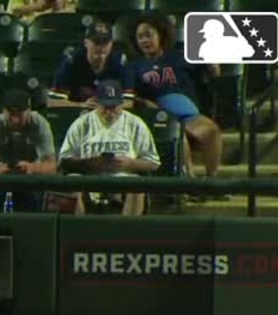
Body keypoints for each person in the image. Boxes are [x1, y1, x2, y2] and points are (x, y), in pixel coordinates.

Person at [129, 13, 222, 196]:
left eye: (148, 35)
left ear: (160, 34)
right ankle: (191, 185)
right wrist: (144, 102)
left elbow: (214, 73)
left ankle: (213, 183)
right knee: (179, 138)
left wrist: (211, 61)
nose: (144, 41)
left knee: (211, 131)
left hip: (189, 115)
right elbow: (130, 95)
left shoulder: (180, 56)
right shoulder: (135, 66)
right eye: (140, 37)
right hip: (160, 118)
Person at [56, 79, 160, 216]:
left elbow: (153, 163)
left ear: (122, 104)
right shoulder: (82, 123)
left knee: (137, 185)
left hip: (124, 179)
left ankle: (128, 232)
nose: (110, 112)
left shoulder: (135, 123)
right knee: (72, 180)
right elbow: (64, 161)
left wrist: (130, 164)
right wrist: (89, 163)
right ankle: (79, 232)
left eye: (114, 106)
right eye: (105, 107)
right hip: (88, 179)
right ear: (96, 103)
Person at [0, 89, 57, 212]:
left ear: (29, 111)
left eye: (20, 114)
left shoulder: (40, 125)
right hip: (1, 178)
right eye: (11, 114)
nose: (15, 120)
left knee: (47, 190)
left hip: (31, 178)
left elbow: (51, 166)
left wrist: (31, 168)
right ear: (3, 111)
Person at [49, 22, 133, 108]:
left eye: (105, 42)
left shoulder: (120, 62)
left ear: (111, 43)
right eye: (97, 42)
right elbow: (53, 101)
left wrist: (105, 108)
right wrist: (81, 105)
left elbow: (128, 102)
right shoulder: (73, 61)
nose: (101, 46)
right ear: (86, 43)